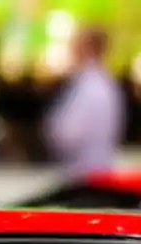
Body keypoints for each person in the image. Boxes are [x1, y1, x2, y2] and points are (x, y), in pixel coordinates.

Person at [44, 27, 123, 178]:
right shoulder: (105, 83)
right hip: (97, 165)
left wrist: (52, 130)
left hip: (84, 169)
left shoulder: (90, 85)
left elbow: (69, 132)